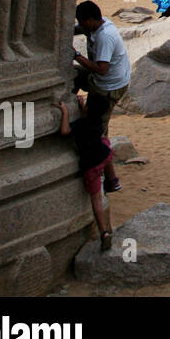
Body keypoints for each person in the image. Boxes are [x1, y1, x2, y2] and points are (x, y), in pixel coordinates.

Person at [73, 0, 131, 184]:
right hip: (102, 81)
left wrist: (76, 55)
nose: (81, 26)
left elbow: (101, 68)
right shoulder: (95, 26)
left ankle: (112, 179)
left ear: (90, 20)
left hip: (108, 87)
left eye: (82, 22)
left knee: (97, 130)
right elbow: (78, 29)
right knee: (73, 74)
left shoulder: (105, 37)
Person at [58, 95, 117, 251]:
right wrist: (83, 105)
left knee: (96, 201)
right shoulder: (97, 122)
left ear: (88, 109)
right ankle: (113, 179)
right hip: (105, 156)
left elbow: (65, 131)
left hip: (91, 166)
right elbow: (90, 114)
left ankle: (104, 233)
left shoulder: (80, 125)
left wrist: (65, 111)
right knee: (104, 140)